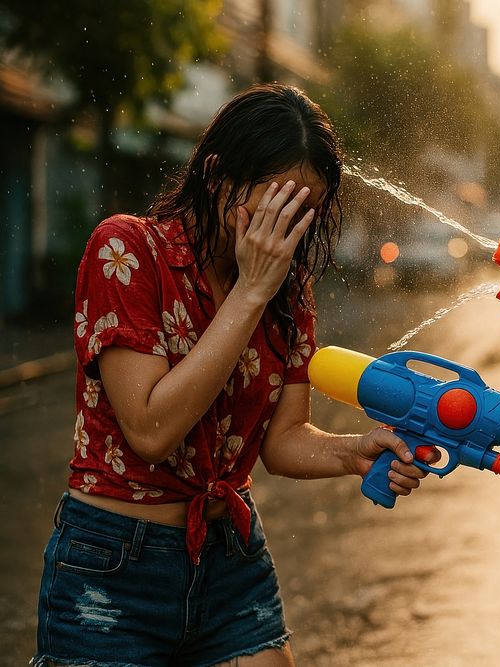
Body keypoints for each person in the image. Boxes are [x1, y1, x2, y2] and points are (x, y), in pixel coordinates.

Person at [33, 83, 434, 666]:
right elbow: (149, 429)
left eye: (301, 213)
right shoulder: (126, 250)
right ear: (218, 175)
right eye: (270, 205)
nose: (281, 230)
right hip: (114, 563)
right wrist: (250, 291)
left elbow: (284, 440)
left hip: (231, 558)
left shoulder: (286, 286)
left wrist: (357, 452)